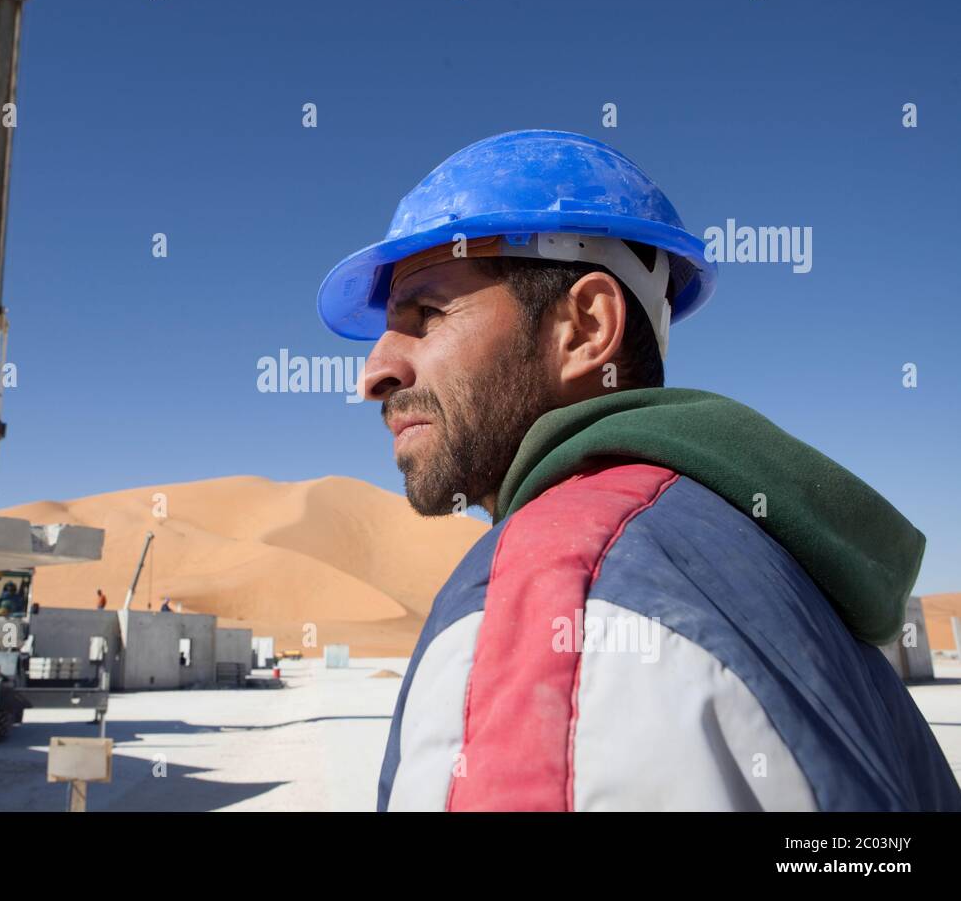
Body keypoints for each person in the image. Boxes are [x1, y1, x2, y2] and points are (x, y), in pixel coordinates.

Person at [317, 129, 961, 812]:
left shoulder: (566, 600)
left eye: (427, 314)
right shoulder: (760, 559)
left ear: (587, 328)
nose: (375, 374)